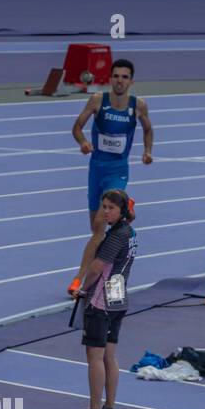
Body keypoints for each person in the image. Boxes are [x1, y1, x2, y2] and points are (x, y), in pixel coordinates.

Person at [68, 58, 153, 295]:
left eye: (125, 77)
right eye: (116, 76)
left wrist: (147, 151)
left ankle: (80, 280)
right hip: (96, 169)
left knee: (100, 222)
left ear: (131, 81)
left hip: (118, 170)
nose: (120, 80)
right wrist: (83, 142)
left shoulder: (138, 106)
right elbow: (76, 127)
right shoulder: (98, 100)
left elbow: (147, 129)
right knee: (96, 231)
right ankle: (127, 209)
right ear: (110, 78)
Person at [67, 189, 136, 409]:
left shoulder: (115, 236)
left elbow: (96, 267)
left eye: (110, 208)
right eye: (103, 206)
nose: (105, 211)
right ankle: (110, 408)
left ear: (122, 210)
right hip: (119, 298)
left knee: (95, 356)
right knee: (109, 356)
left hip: (100, 299)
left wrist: (83, 289)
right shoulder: (130, 232)